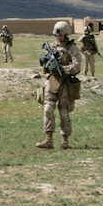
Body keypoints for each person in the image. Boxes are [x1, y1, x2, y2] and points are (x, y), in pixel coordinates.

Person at [37, 21, 82, 149]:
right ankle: (48, 139)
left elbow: (77, 66)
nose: (59, 37)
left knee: (64, 113)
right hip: (52, 82)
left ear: (66, 34)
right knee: (48, 110)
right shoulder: (52, 47)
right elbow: (46, 65)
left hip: (65, 84)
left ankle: (64, 140)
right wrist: (45, 62)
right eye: (57, 35)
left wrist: (62, 69)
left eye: (61, 35)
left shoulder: (72, 48)